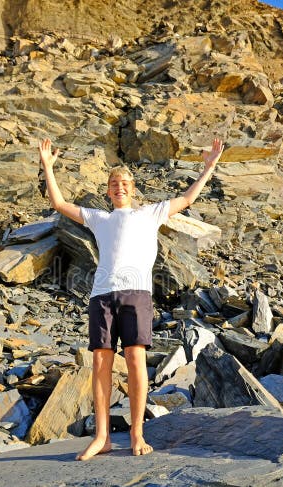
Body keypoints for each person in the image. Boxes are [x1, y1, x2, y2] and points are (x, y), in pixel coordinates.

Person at [38, 138, 225, 460]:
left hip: (136, 294)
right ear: (108, 191)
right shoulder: (99, 218)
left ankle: (137, 434)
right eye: (114, 184)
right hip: (102, 295)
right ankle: (102, 437)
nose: (119, 187)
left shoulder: (151, 213)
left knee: (136, 359)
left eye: (124, 183)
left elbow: (188, 197)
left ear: (132, 188)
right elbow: (58, 204)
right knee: (100, 362)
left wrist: (208, 167)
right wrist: (48, 166)